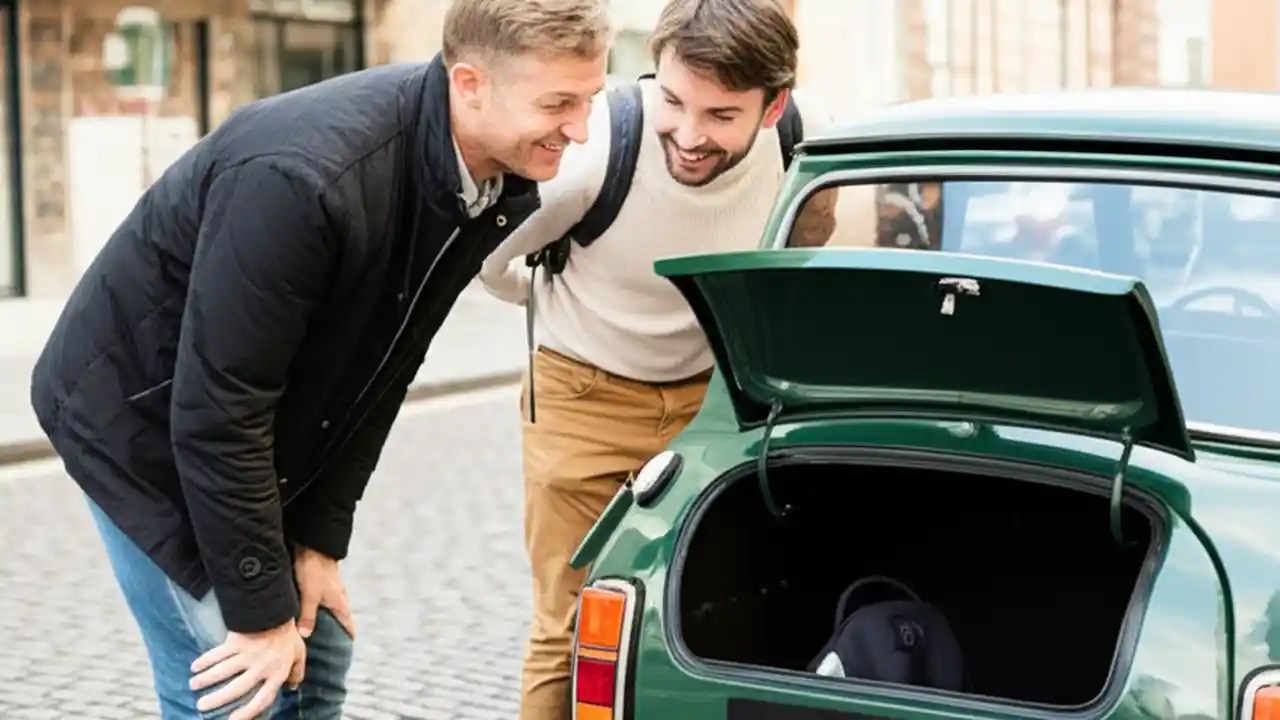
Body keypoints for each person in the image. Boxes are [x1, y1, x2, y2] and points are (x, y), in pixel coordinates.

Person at [28, 1, 611, 717]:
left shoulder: (485, 179)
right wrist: (260, 618)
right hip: (139, 423)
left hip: (239, 419)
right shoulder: (304, 178)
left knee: (320, 652)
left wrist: (318, 542)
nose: (580, 130)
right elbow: (219, 412)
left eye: (590, 100)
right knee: (236, 690)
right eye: (557, 104)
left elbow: (383, 372)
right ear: (470, 85)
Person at [476, 0, 837, 716]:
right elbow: (491, 261)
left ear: (772, 108)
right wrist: (564, 304)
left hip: (711, 400)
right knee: (568, 623)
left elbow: (808, 238)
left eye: (721, 115)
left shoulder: (802, 139)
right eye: (673, 101)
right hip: (582, 396)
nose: (690, 135)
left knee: (714, 607)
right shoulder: (594, 153)